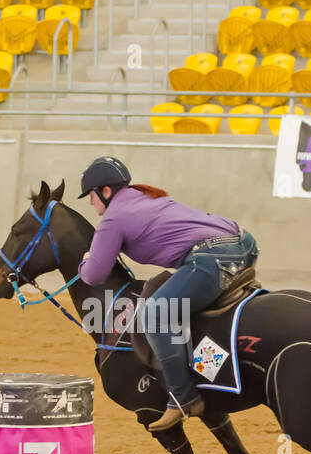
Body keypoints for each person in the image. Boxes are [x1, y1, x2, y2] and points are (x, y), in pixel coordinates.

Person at [76, 156, 259, 431]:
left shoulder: (113, 217)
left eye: (91, 195)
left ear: (105, 191)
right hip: (242, 243)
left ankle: (184, 397)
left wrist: (86, 259)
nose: (91, 203)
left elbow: (94, 275)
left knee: (157, 313)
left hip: (212, 258)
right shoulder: (142, 197)